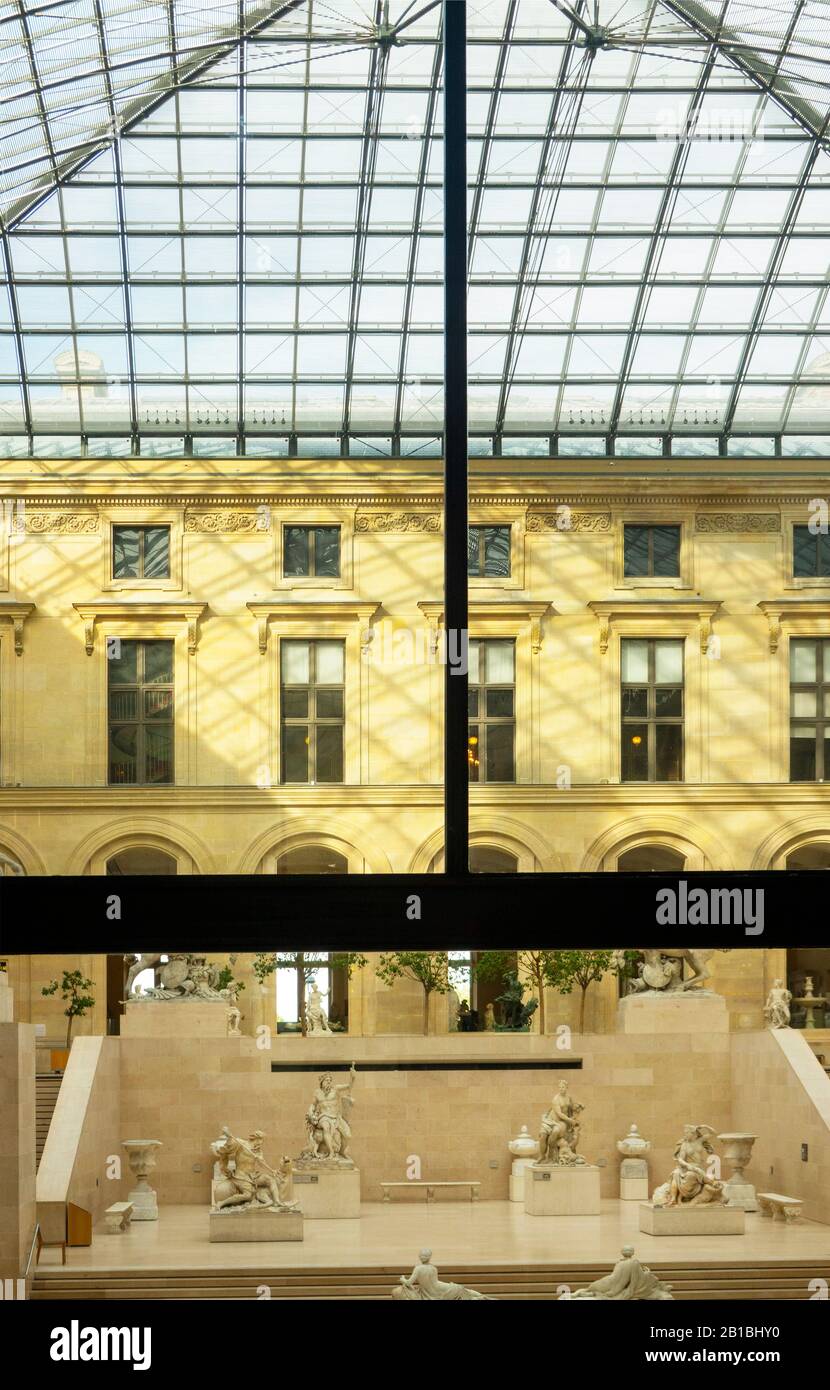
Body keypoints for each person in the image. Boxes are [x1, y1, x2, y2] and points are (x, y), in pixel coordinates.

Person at [571, 1246, 673, 1301]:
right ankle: (582, 1293)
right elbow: (635, 1280)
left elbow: (624, 1277)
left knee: (592, 1288)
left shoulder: (620, 1262)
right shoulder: (634, 1262)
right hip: (614, 1287)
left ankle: (581, 1293)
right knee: (594, 1289)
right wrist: (647, 1273)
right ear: (632, 1253)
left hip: (609, 1282)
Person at [392, 1249, 491, 1300]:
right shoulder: (433, 1268)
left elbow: (409, 1283)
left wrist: (403, 1279)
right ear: (429, 1257)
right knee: (462, 1290)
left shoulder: (418, 1268)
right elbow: (435, 1282)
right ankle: (482, 1297)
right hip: (441, 1287)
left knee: (462, 1291)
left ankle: (481, 1297)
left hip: (431, 1292)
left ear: (420, 1257)